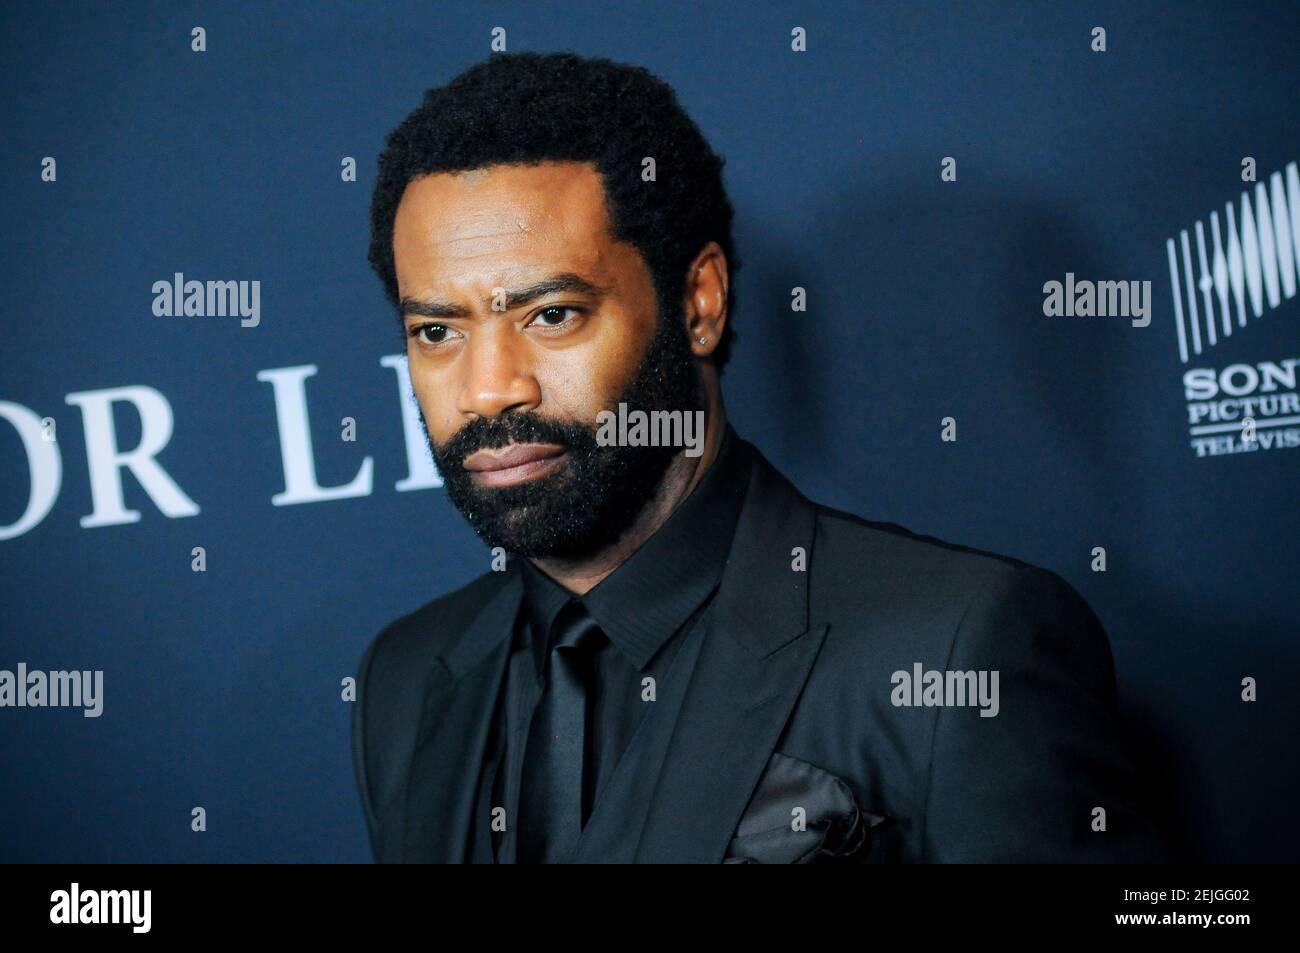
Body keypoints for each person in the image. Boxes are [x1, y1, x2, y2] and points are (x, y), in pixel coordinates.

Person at [351, 51, 1165, 863]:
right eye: (437, 332)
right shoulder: (405, 676)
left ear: (698, 301)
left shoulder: (958, 646)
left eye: (553, 314)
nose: (489, 390)